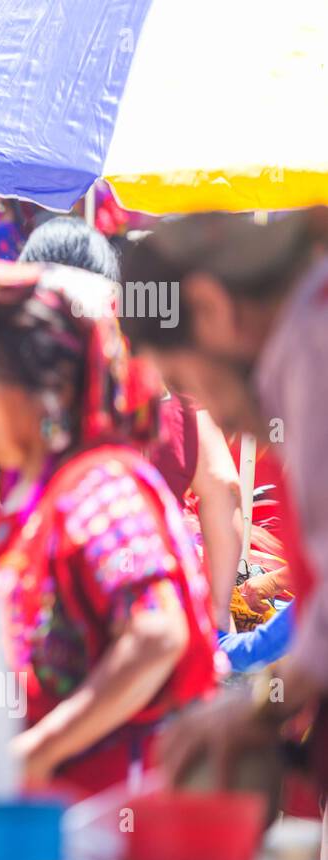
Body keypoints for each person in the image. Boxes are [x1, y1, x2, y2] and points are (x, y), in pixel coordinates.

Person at [0, 218, 243, 634]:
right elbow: (223, 486)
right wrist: (218, 611)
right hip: (160, 607)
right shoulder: (167, 368)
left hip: (38, 619)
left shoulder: (16, 373)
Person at [0, 258, 216, 793]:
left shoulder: (101, 490)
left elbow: (157, 633)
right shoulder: (37, 497)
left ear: (47, 392)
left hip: (98, 819)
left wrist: (36, 753)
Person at [117, 209, 328, 805]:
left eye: (185, 379)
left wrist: (256, 708)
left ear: (210, 309)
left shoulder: (310, 346)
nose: (218, 416)